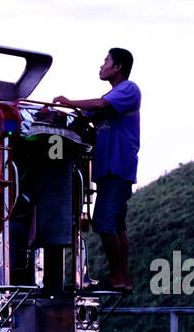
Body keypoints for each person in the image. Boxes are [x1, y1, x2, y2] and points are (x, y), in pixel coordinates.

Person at [53, 47, 140, 293]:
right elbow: (88, 113)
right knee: (117, 224)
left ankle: (117, 277)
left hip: (117, 167)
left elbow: (100, 104)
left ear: (118, 66)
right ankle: (123, 278)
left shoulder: (128, 89)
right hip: (109, 170)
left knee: (103, 221)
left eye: (106, 61)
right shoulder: (111, 96)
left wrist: (69, 101)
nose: (102, 66)